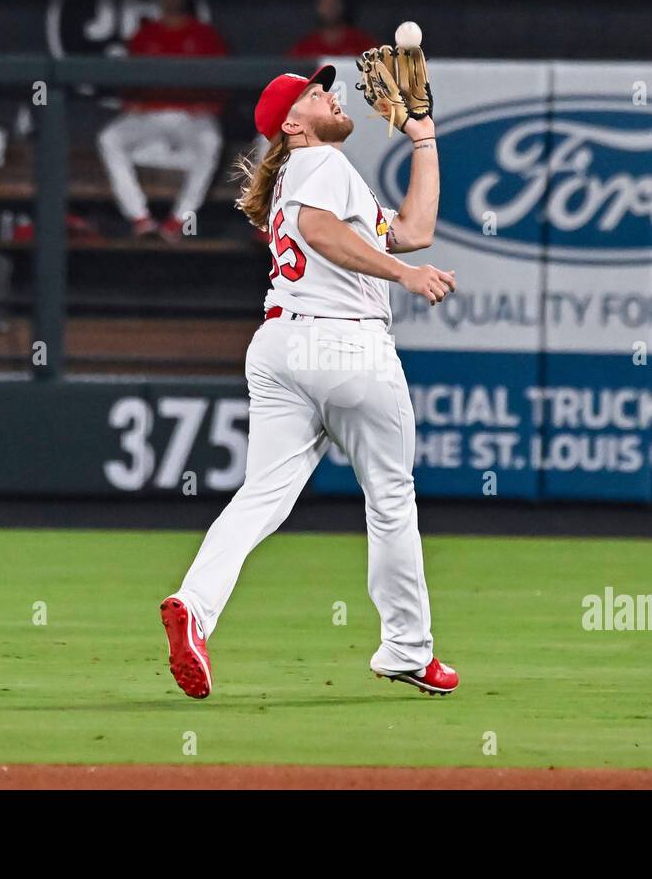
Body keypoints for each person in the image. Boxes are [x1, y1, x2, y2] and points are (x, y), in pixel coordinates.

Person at [159, 63, 460, 699]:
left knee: (261, 495)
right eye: (317, 93)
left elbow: (413, 231)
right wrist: (405, 278)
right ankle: (408, 648)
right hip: (346, 343)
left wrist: (424, 140)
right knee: (390, 499)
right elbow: (322, 231)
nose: (333, 94)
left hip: (279, 345)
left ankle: (194, 605)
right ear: (294, 125)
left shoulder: (309, 171)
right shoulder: (319, 162)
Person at [96, 0, 228, 244]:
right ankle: (140, 218)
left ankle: (178, 219)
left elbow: (224, 80)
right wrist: (130, 101)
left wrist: (212, 105)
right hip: (150, 117)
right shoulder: (146, 34)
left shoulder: (204, 34)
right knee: (109, 138)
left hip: (190, 118)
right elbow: (127, 81)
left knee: (211, 140)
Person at [289, 0, 379, 58]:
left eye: (334, 3)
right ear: (317, 8)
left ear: (342, 5)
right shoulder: (305, 46)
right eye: (325, 3)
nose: (330, 8)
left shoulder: (361, 41)